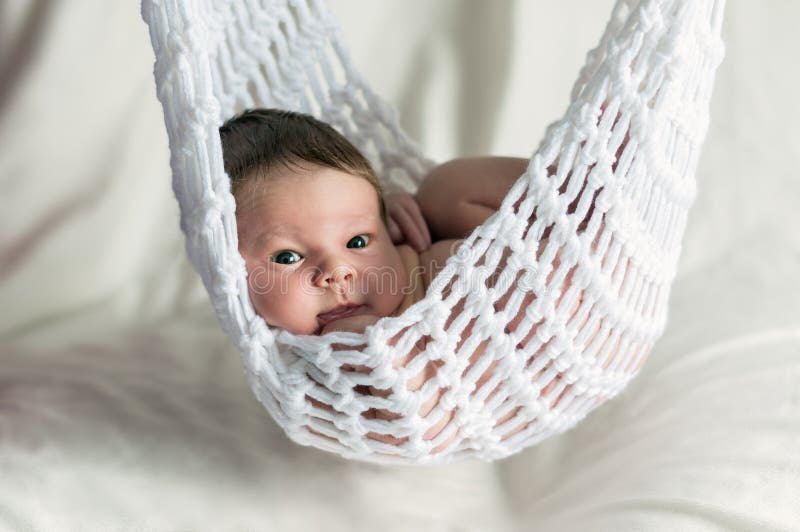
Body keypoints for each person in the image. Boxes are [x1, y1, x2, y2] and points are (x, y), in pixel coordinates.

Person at [220, 108, 590, 452]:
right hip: (545, 342)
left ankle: (585, 186)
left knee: (444, 187)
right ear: (231, 269)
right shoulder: (300, 380)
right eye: (288, 257)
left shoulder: (402, 249)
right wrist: (361, 345)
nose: (337, 271)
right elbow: (417, 427)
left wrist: (390, 210)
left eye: (357, 241)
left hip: (581, 257)